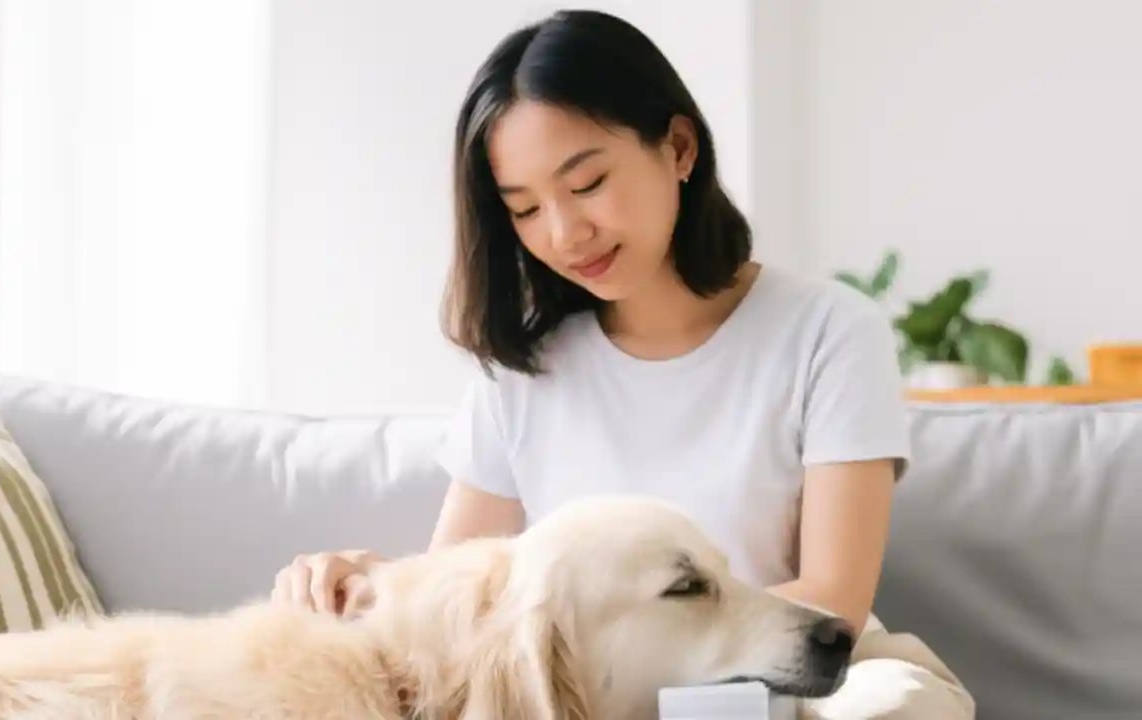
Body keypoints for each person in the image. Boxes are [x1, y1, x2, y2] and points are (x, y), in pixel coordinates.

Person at [273, 9, 974, 717]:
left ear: (678, 147)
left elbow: (833, 598)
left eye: (586, 184)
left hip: (801, 682)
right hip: (591, 690)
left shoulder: (829, 331)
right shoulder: (523, 370)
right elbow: (464, 608)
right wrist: (370, 585)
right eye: (524, 209)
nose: (564, 232)